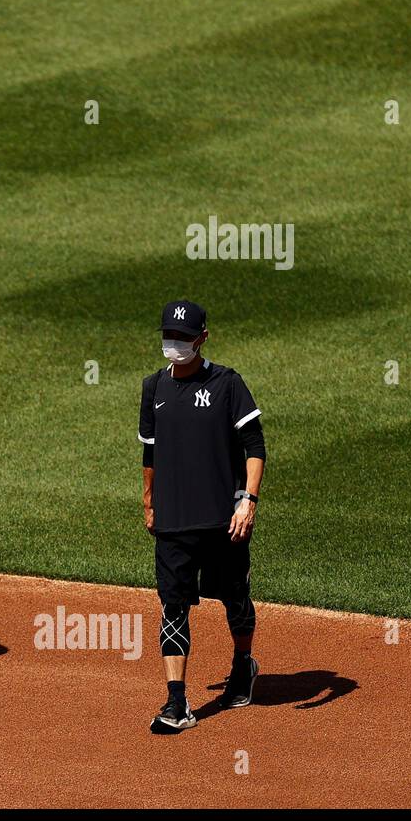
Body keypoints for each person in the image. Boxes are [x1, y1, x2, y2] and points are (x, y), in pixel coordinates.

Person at [139, 300, 266, 733]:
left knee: (234, 598)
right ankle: (177, 702)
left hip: (222, 519)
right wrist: (149, 500)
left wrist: (248, 499)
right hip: (173, 520)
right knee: (173, 605)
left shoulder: (228, 384)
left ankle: (242, 665)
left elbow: (255, 447)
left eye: (181, 338)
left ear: (202, 338)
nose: (172, 344)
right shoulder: (153, 387)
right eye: (167, 336)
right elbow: (150, 452)